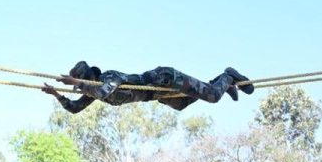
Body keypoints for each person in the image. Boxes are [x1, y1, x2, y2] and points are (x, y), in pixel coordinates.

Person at [43, 61, 255, 114]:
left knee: (212, 97)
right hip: (158, 94)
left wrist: (78, 84)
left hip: (166, 79)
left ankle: (228, 76)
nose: (81, 92)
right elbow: (74, 109)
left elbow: (105, 91)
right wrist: (55, 94)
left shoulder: (108, 78)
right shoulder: (92, 92)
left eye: (82, 85)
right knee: (181, 104)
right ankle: (221, 81)